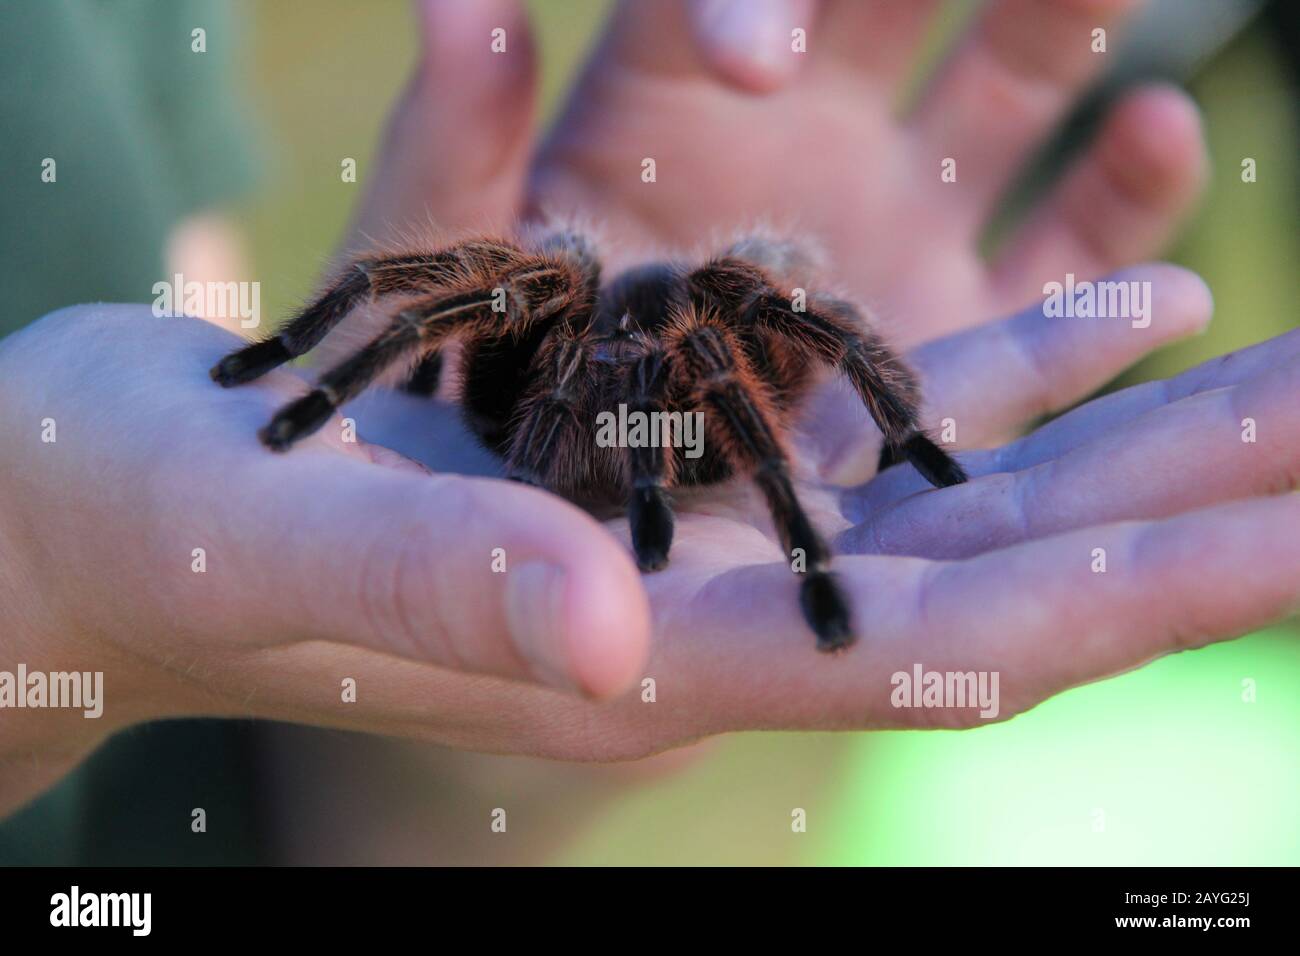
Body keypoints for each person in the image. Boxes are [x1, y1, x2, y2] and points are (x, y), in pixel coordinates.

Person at [2, 0, 1296, 863]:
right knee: (542, 270)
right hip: (516, 407)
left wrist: (409, 745)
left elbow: (291, 783)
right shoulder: (536, 332)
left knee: (723, 298)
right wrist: (284, 390)